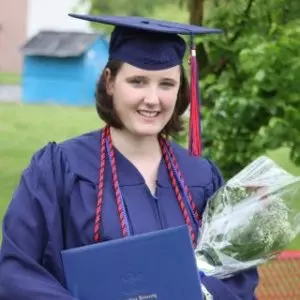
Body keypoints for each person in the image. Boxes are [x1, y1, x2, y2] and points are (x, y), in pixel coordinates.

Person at [0, 14, 259, 299]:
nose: (152, 99)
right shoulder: (59, 169)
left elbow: (236, 274)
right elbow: (17, 271)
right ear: (110, 82)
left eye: (166, 84)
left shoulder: (201, 177)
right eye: (137, 82)